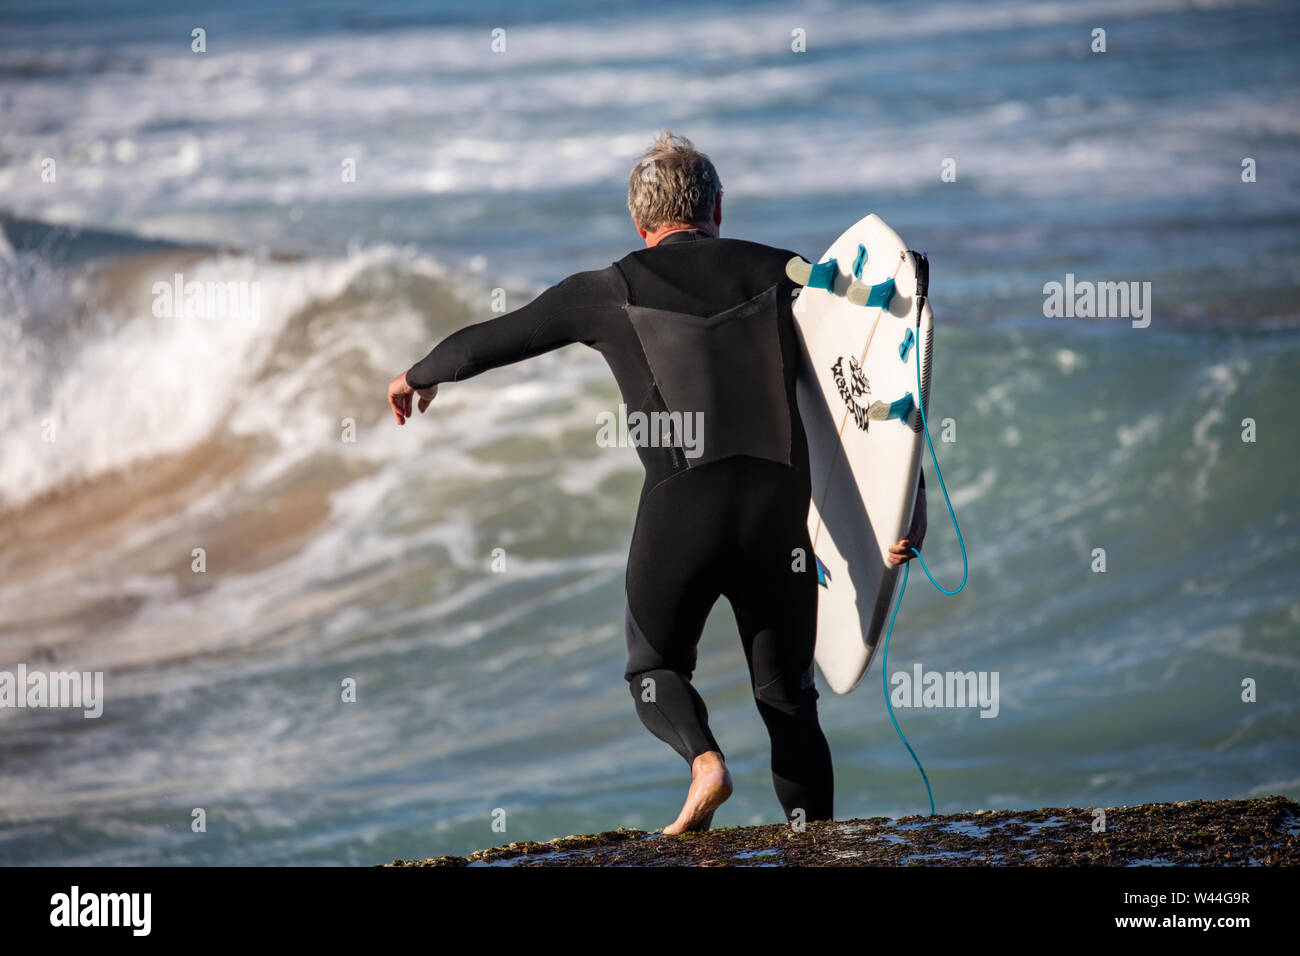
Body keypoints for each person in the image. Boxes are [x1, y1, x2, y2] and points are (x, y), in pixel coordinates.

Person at [387, 131, 927, 834]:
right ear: (720, 209)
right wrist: (904, 506)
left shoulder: (605, 290)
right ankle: (814, 847)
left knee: (654, 668)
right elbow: (877, 390)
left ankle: (704, 762)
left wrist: (415, 376)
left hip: (683, 510)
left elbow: (489, 342)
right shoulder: (791, 273)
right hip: (778, 518)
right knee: (790, 703)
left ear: (640, 226)